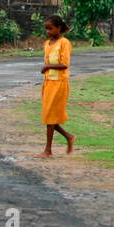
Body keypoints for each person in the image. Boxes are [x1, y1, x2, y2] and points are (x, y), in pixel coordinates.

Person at [39, 16, 75, 157]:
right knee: (49, 116)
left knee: (50, 117)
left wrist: (47, 66)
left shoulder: (64, 43)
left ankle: (48, 150)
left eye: (50, 28)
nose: (48, 31)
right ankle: (68, 137)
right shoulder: (47, 43)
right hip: (48, 83)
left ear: (58, 28)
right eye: (46, 28)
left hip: (59, 83)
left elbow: (64, 64)